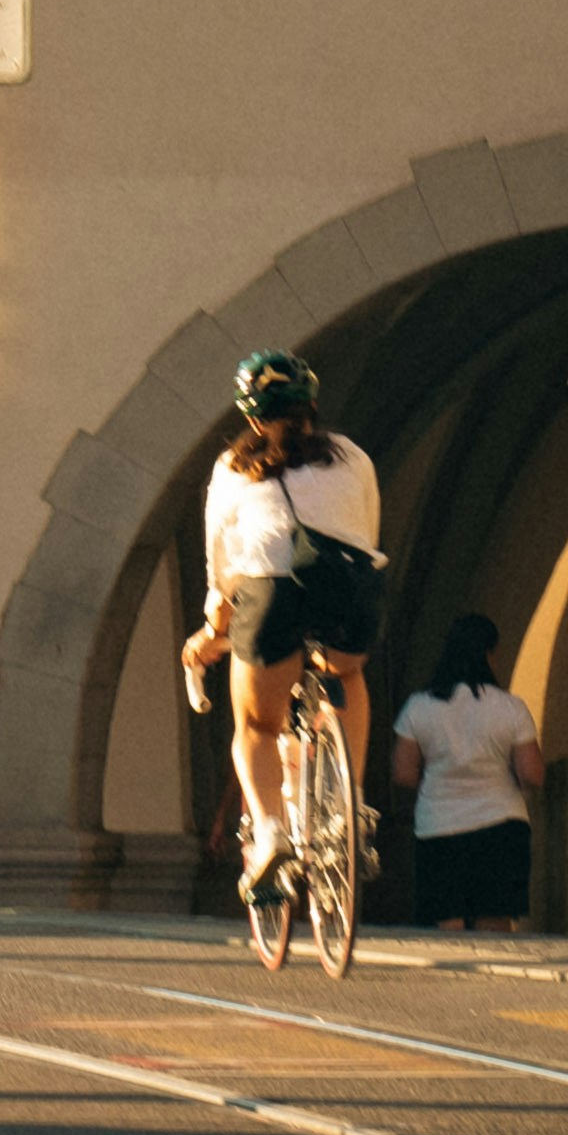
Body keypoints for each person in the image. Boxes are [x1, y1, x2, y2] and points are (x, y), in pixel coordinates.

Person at [175, 349, 386, 919]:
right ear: (312, 406)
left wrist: (212, 632)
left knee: (257, 725)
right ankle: (350, 808)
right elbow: (365, 531)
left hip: (270, 593)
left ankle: (270, 835)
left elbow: (223, 570)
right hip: (348, 583)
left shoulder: (231, 470)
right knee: (347, 670)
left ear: (250, 417)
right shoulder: (352, 457)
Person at [386, 610, 544, 935]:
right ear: (490, 654)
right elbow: (532, 774)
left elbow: (403, 773)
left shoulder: (419, 706)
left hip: (438, 826)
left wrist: (438, 784)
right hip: (501, 825)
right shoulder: (511, 707)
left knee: (448, 923)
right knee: (495, 920)